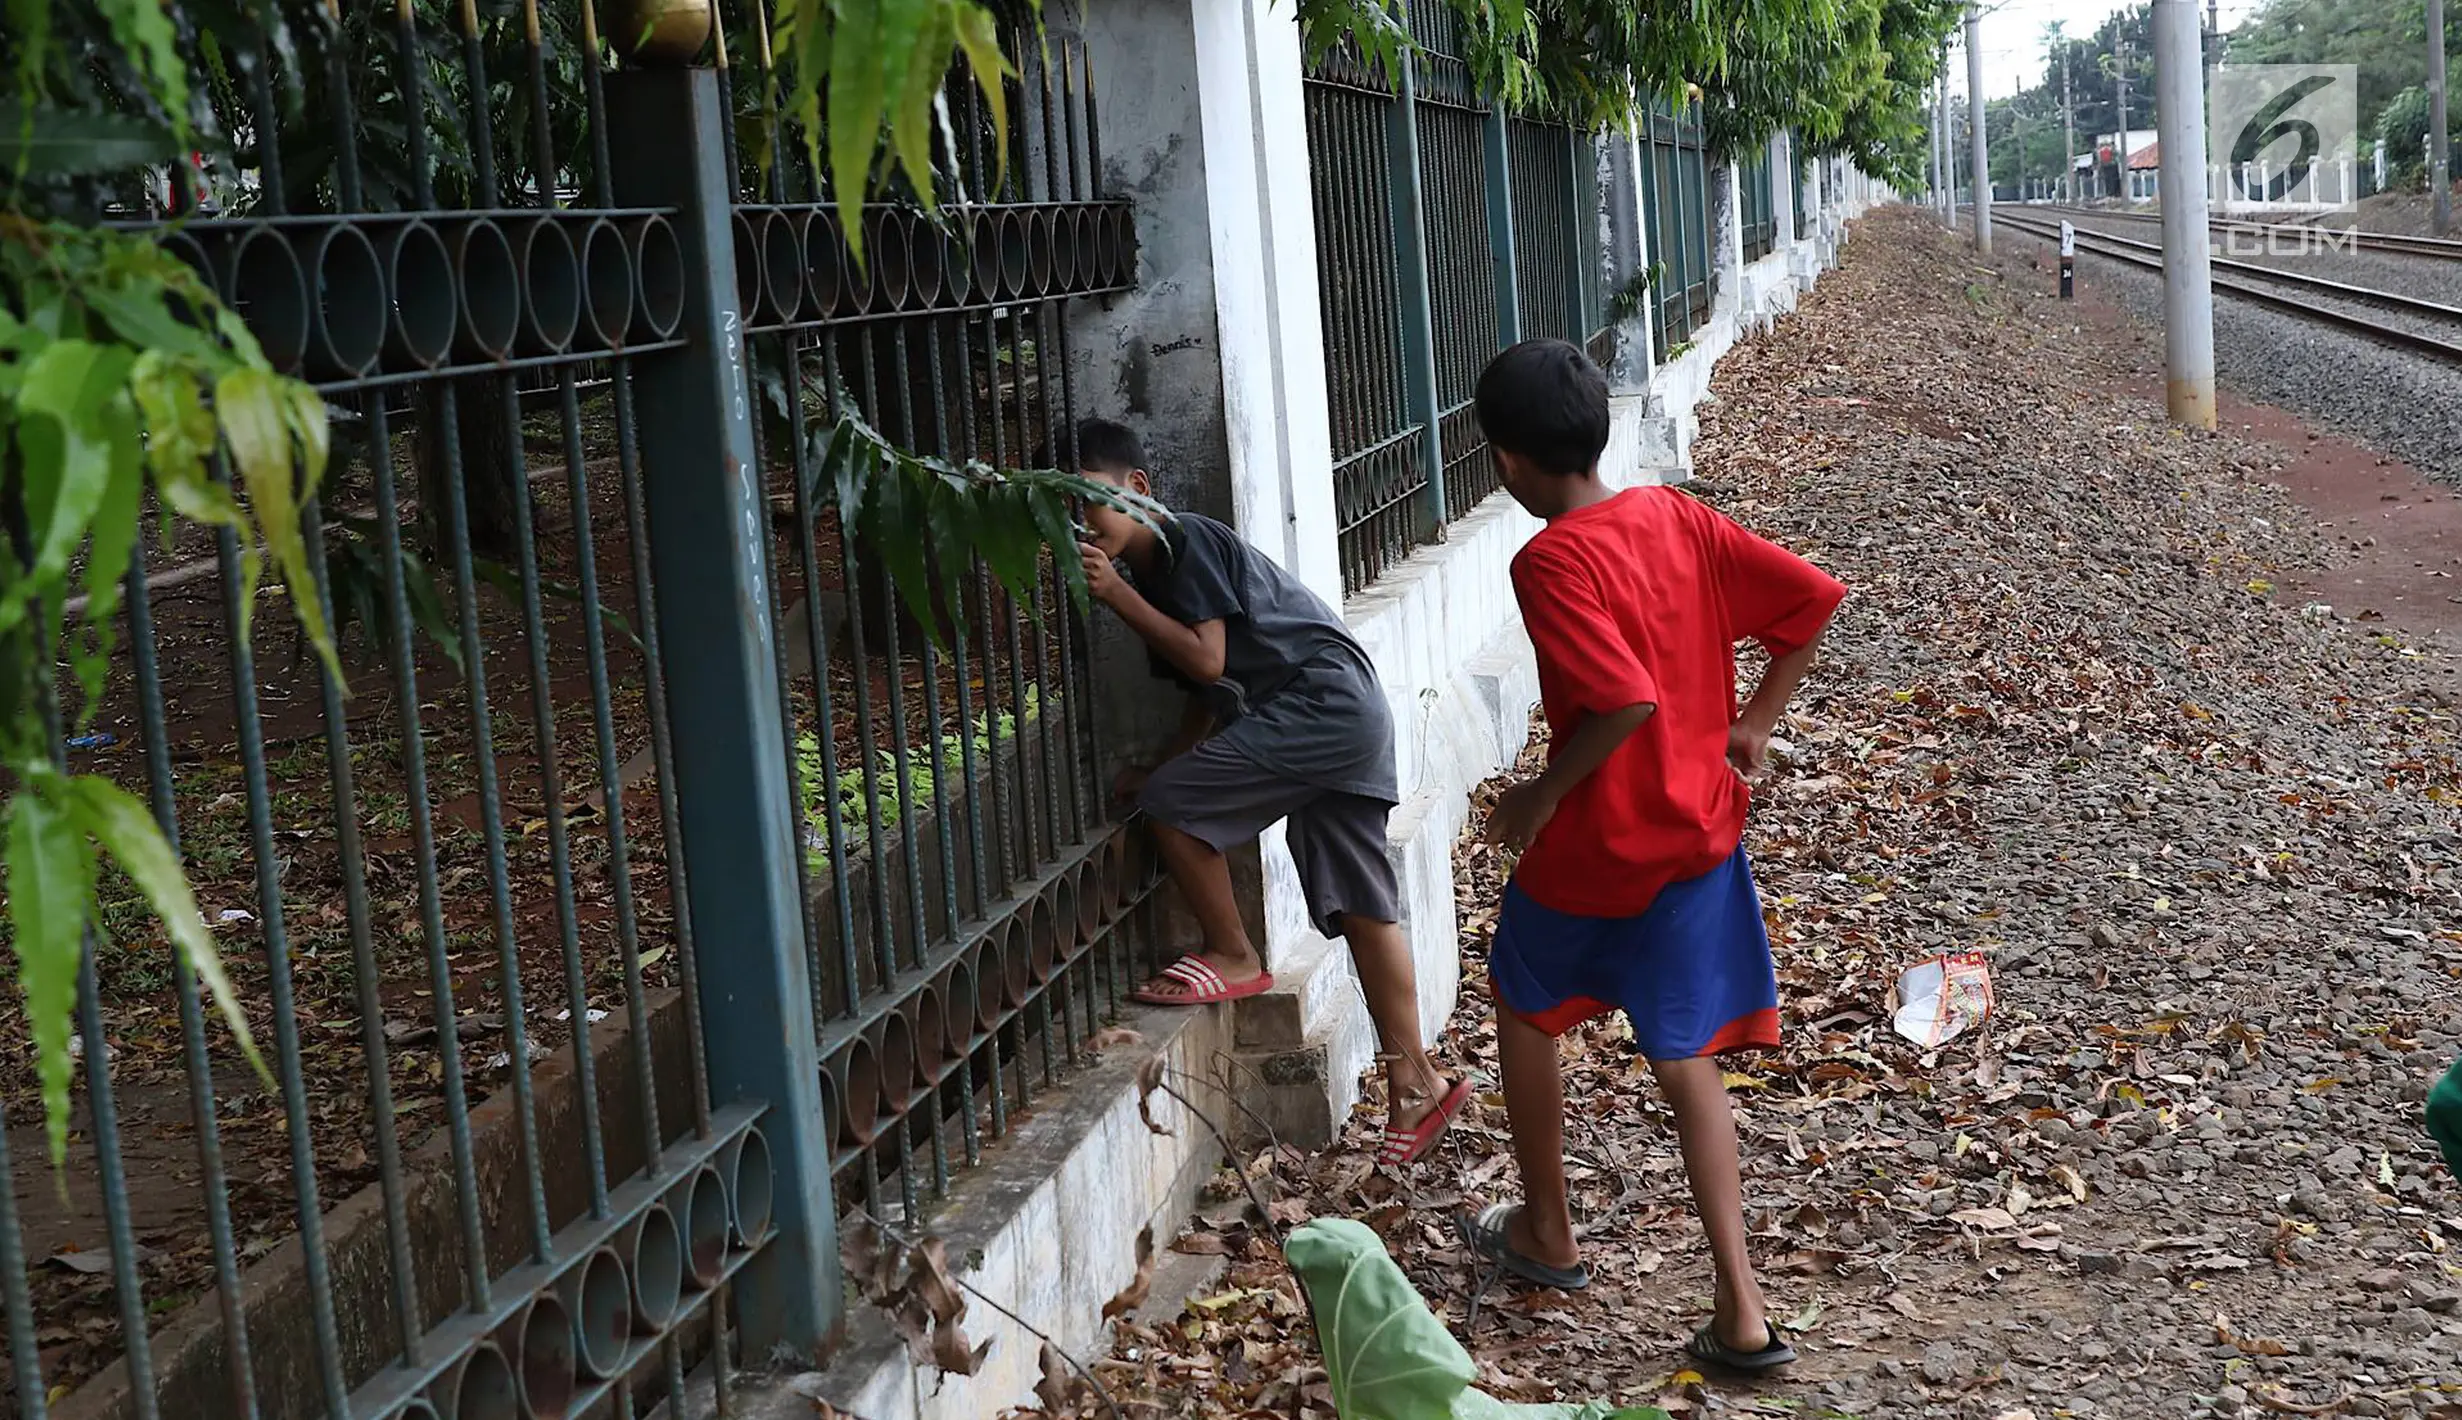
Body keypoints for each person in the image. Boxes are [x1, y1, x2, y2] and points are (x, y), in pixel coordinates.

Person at [1456, 339, 1845, 1376]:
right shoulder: (1675, 516)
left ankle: (1548, 1230)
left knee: (1522, 1001)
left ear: (1505, 460)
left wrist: (1539, 794)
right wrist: (1753, 722)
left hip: (1595, 850)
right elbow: (1811, 601)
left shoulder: (1549, 561)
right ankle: (1742, 1308)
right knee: (1684, 1055)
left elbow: (1622, 700)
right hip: (1695, 841)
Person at [1072, 418, 1470, 1164]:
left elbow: (1206, 656)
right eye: (1064, 511)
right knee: (1359, 902)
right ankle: (1418, 1083)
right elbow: (1208, 691)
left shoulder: (1183, 543)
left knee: (1174, 807)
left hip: (1318, 706)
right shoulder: (1157, 575)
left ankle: (1232, 953)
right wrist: (1167, 762)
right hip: (1342, 711)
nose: (1081, 522)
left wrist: (1116, 597)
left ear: (1138, 488)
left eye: (1088, 499)